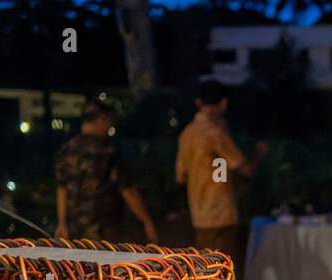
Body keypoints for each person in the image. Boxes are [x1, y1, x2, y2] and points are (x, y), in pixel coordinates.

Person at [176, 78, 268, 258]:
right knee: (222, 273)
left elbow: (181, 175)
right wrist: (259, 153)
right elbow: (244, 168)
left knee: (204, 272)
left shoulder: (186, 134)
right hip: (221, 215)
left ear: (198, 102)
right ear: (224, 103)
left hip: (198, 215)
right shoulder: (215, 133)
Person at [54, 100, 157, 243]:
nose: (109, 126)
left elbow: (62, 187)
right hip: (103, 228)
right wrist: (146, 221)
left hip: (74, 229)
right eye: (108, 121)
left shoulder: (67, 149)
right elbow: (126, 189)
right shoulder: (107, 150)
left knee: (77, 265)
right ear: (101, 119)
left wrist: (62, 223)